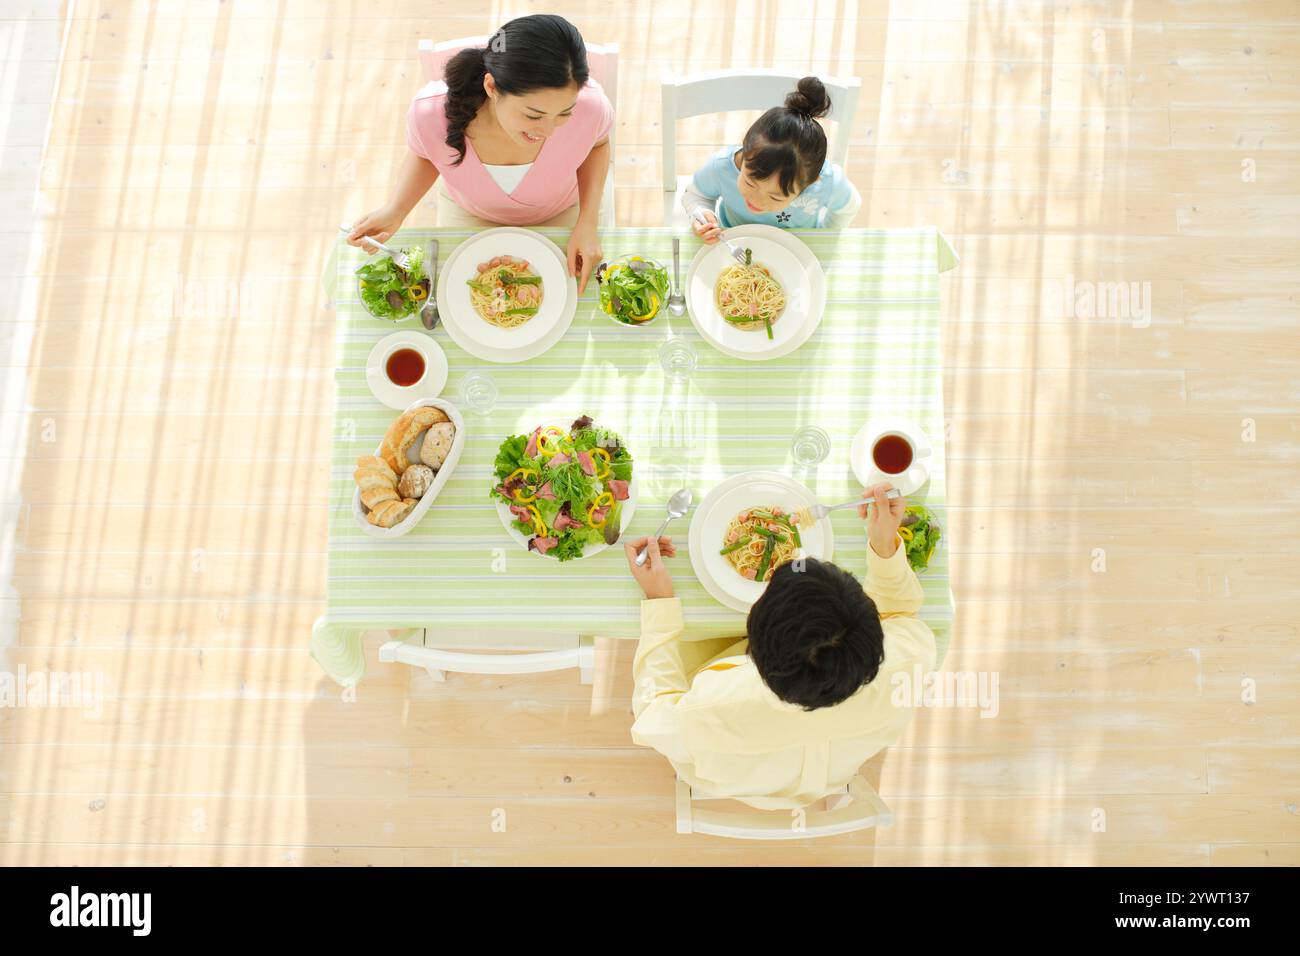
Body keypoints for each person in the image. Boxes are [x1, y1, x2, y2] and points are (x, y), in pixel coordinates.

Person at [622, 484, 935, 810]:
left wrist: (659, 601)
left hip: (738, 778)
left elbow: (653, 713)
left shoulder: (710, 706)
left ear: (753, 641)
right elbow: (900, 614)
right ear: (872, 633)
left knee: (687, 641)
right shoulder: (912, 660)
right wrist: (884, 544)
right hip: (829, 772)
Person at [346, 14, 612, 292]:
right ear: (492, 87)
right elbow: (426, 154)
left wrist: (588, 220)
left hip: (564, 213)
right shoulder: (430, 113)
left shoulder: (590, 107)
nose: (548, 131)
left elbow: (598, 145)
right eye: (533, 115)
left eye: (563, 114)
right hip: (470, 215)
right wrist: (396, 210)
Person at [683, 76, 860, 243]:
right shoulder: (721, 168)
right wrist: (701, 213)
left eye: (776, 197)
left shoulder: (828, 183)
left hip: (798, 247)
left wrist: (824, 233)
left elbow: (849, 207)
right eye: (750, 183)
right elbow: (696, 195)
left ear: (810, 183)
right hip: (733, 238)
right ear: (744, 153)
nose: (757, 200)